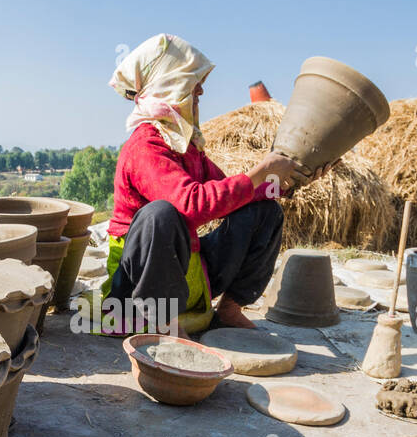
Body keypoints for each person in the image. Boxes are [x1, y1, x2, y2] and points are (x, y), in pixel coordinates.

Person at [94, 34, 306, 337]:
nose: (201, 92)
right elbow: (190, 205)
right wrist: (262, 169)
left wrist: (285, 183)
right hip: (138, 290)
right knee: (160, 215)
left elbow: (234, 192)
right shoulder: (146, 144)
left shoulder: (187, 147)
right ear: (172, 85)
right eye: (194, 83)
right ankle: (163, 327)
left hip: (188, 275)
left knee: (263, 211)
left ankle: (230, 310)